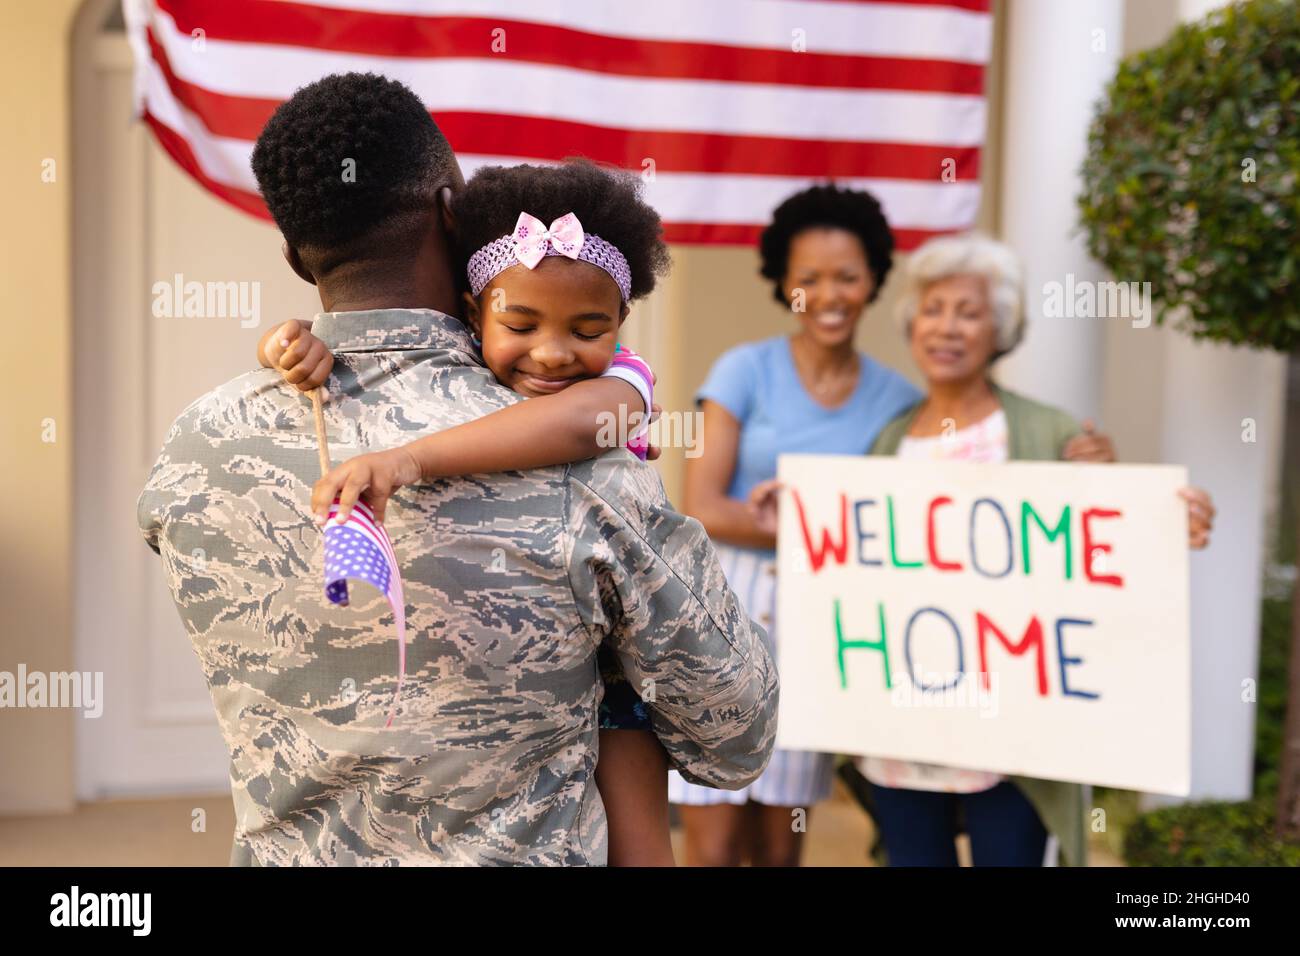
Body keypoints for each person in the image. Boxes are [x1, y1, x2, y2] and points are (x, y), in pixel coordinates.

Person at [136, 72, 778, 866]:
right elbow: (737, 734)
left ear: (296, 260)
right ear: (452, 213)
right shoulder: (580, 466)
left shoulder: (196, 445)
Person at [255, 158, 676, 866]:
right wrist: (291, 344)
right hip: (501, 683)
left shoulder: (620, 382)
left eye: (589, 328)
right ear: (471, 309)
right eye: (521, 321)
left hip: (615, 668)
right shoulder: (465, 364)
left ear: (622, 321)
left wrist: (404, 462)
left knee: (640, 849)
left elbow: (574, 423)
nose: (553, 352)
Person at [749, 232, 1215, 866]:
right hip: (903, 735)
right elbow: (856, 567)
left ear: (999, 331)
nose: (947, 328)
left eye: (968, 313)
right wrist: (800, 514)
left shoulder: (1050, 433)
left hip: (1015, 738)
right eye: (933, 311)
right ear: (913, 327)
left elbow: (1107, 551)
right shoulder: (888, 440)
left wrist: (1167, 521)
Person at [667, 184, 922, 866]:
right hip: (725, 610)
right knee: (714, 837)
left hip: (820, 620)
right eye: (809, 278)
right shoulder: (743, 371)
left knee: (784, 843)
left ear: (873, 280)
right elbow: (704, 505)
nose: (829, 294)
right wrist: (822, 524)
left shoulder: (902, 399)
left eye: (847, 276)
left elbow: (909, 521)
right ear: (784, 283)